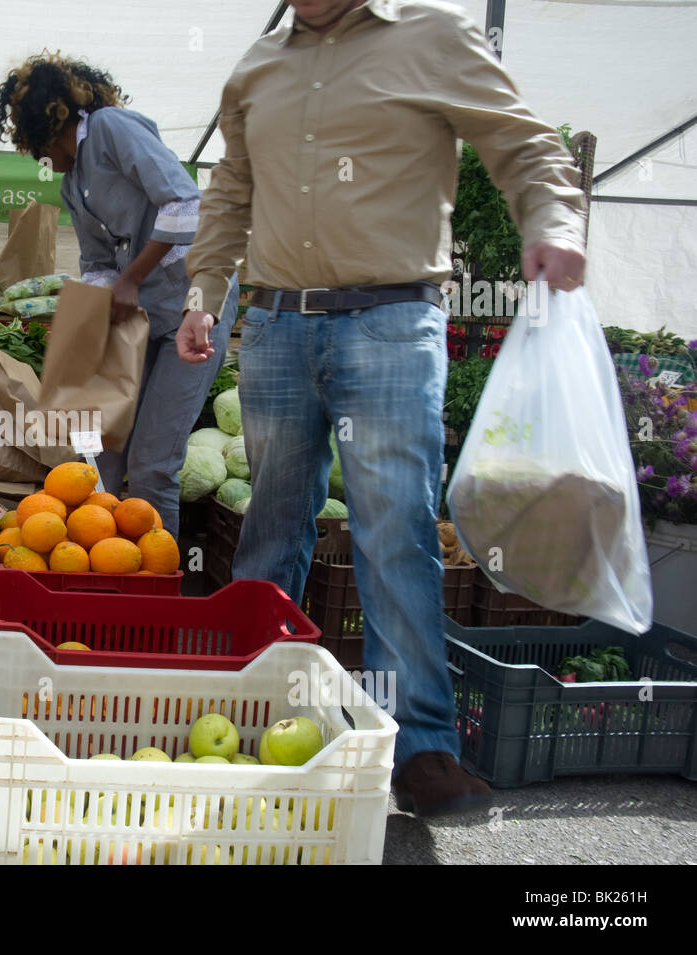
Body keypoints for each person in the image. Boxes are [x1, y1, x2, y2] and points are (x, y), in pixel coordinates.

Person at [177, 0, 587, 814]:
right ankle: (259, 709)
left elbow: (525, 141)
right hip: (275, 325)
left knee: (395, 531)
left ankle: (424, 748)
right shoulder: (257, 66)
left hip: (392, 322)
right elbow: (230, 193)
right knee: (272, 525)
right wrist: (204, 291)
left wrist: (554, 220)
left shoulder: (432, 36)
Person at [0, 53, 236, 538]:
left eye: (28, 140)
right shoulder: (70, 185)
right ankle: (103, 567)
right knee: (98, 450)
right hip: (136, 323)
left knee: (152, 463)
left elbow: (186, 205)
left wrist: (133, 276)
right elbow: (99, 264)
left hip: (192, 309)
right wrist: (90, 319)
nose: (31, 155)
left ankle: (153, 586)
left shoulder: (110, 128)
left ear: (48, 121)